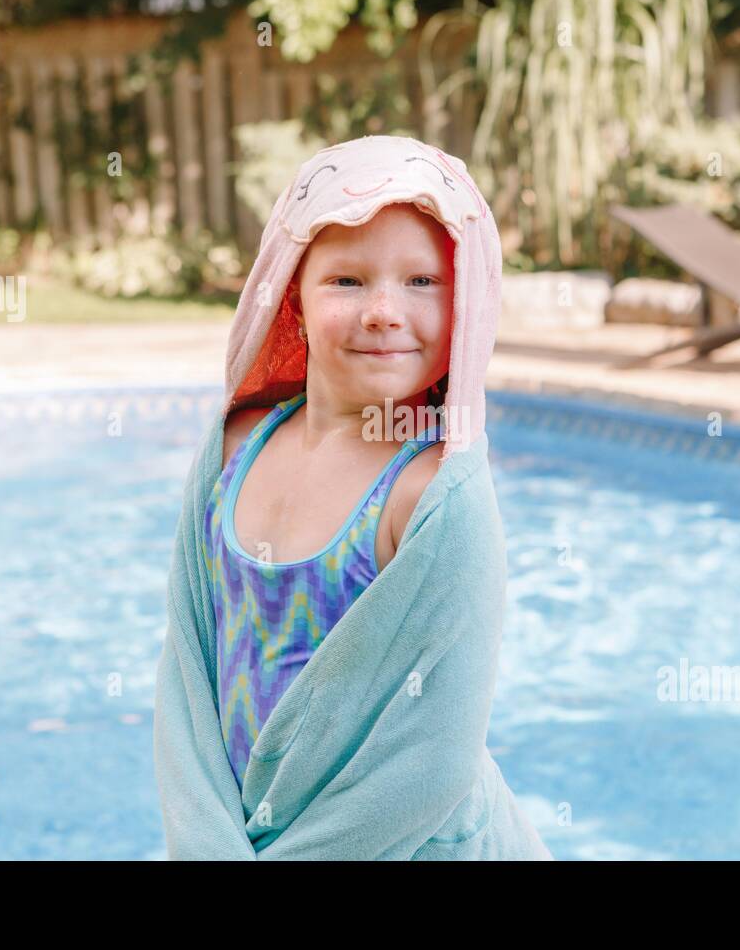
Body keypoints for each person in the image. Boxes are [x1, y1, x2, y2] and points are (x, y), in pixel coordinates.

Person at [154, 134, 553, 860]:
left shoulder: (429, 491)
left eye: (422, 282)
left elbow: (429, 759)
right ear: (293, 297)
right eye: (347, 281)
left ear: (466, 303)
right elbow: (187, 672)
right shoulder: (232, 449)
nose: (384, 311)